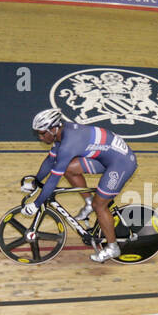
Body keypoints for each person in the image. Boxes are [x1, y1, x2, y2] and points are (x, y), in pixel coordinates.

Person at [22, 108, 137, 263]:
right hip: (105, 156)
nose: (40, 138)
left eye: (42, 133)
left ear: (54, 129)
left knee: (100, 205)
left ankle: (112, 247)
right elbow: (50, 161)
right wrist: (35, 182)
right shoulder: (62, 133)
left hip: (120, 163)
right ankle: (88, 203)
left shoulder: (69, 144)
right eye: (38, 133)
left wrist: (36, 204)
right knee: (68, 168)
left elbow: (53, 179)